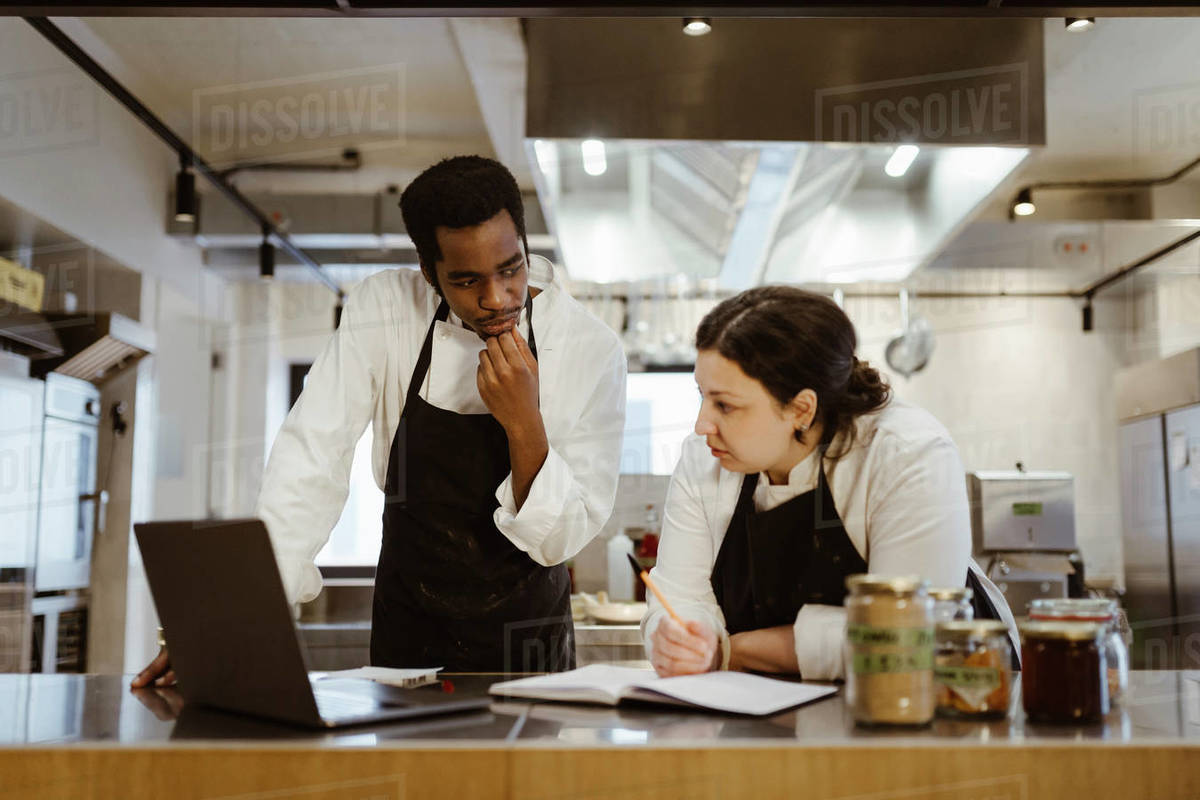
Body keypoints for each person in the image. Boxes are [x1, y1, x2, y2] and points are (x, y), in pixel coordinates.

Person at [134, 155, 626, 687]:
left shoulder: (588, 348)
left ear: (526, 245)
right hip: (407, 637)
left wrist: (524, 423)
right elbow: (311, 456)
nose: (495, 297)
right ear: (428, 272)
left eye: (510, 268)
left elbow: (561, 540)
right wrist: (235, 621)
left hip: (529, 648)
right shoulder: (385, 309)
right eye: (465, 280)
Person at [641, 286, 1016, 679]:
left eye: (725, 405)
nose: (702, 425)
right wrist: (683, 639)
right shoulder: (705, 456)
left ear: (801, 408)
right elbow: (677, 596)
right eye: (701, 396)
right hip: (759, 706)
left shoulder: (907, 452)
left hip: (935, 694)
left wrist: (735, 649)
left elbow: (905, 635)